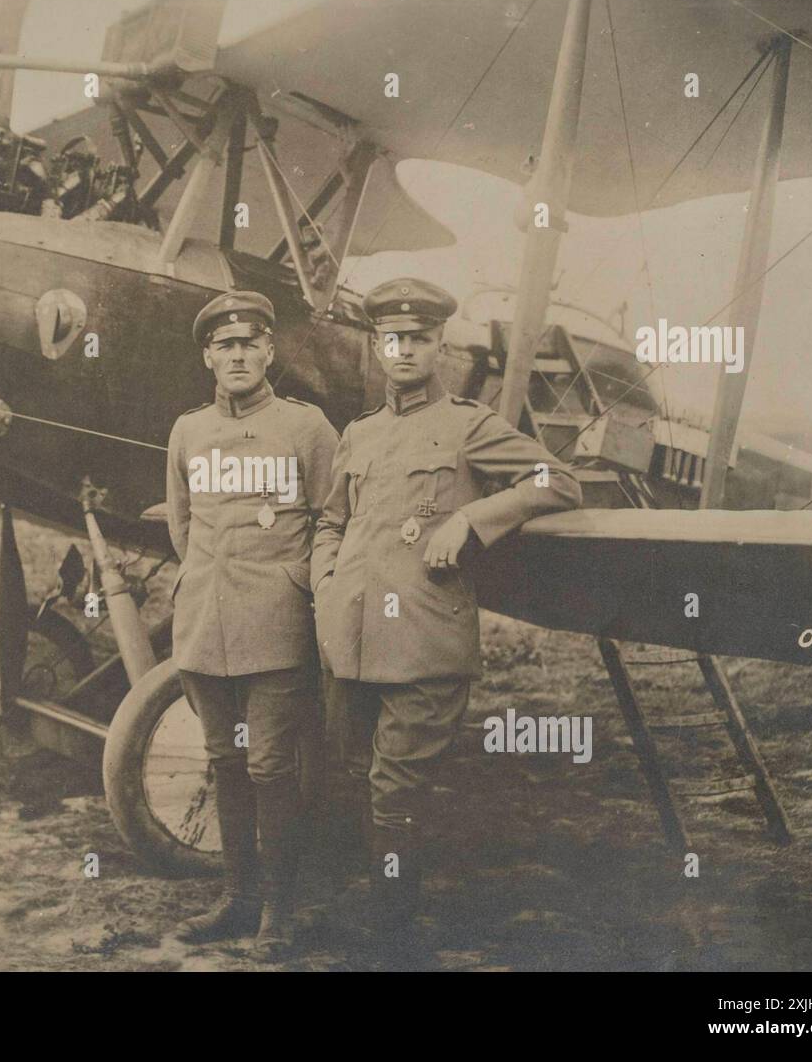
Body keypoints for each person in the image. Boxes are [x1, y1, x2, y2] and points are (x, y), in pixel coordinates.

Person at [311, 277, 582, 941]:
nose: (405, 350)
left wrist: (471, 517)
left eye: (421, 338)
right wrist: (325, 585)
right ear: (378, 346)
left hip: (424, 641)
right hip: (350, 638)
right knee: (356, 773)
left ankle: (391, 931)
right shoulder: (360, 433)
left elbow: (559, 480)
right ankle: (382, 910)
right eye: (393, 338)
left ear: (439, 346)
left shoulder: (468, 424)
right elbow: (330, 522)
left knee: (394, 788)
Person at [165, 290, 339, 959]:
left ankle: (279, 909)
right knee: (224, 760)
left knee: (270, 765)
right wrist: (202, 582)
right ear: (208, 355)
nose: (236, 355)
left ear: (269, 351)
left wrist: (298, 586)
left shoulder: (307, 428)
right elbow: (183, 524)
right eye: (224, 346)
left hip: (275, 621)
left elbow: (332, 518)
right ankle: (236, 898)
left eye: (249, 344)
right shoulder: (188, 431)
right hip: (206, 623)